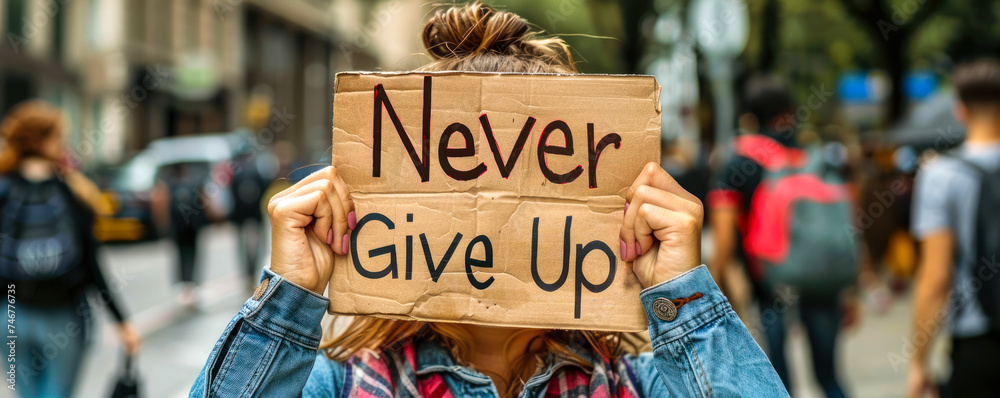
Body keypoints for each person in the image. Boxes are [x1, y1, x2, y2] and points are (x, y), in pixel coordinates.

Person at [189, 3, 787, 397]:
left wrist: (681, 295)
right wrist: (287, 300)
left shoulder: (636, 382)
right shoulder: (344, 385)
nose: (496, 215)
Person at [707, 75, 854, 397]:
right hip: (821, 274)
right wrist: (853, 286)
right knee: (829, 377)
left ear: (748, 116)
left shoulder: (737, 162)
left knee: (777, 379)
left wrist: (714, 287)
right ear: (788, 112)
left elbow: (725, 239)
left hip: (768, 280)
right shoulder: (814, 156)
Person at [0, 100, 140, 397]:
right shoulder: (70, 191)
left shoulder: (4, 188)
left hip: (10, 318)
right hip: (63, 318)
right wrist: (122, 321)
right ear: (41, 141)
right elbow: (91, 264)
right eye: (57, 138)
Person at [907, 57, 1000, 398]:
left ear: (960, 110)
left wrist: (919, 362)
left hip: (976, 342)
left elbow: (935, 279)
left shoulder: (941, 174)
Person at [152, 161, 220, 307]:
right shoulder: (196, 181)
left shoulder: (168, 184)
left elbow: (161, 204)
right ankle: (193, 285)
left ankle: (183, 287)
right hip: (194, 224)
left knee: (179, 254)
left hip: (177, 225)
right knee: (194, 253)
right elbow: (205, 200)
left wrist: (162, 224)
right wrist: (214, 218)